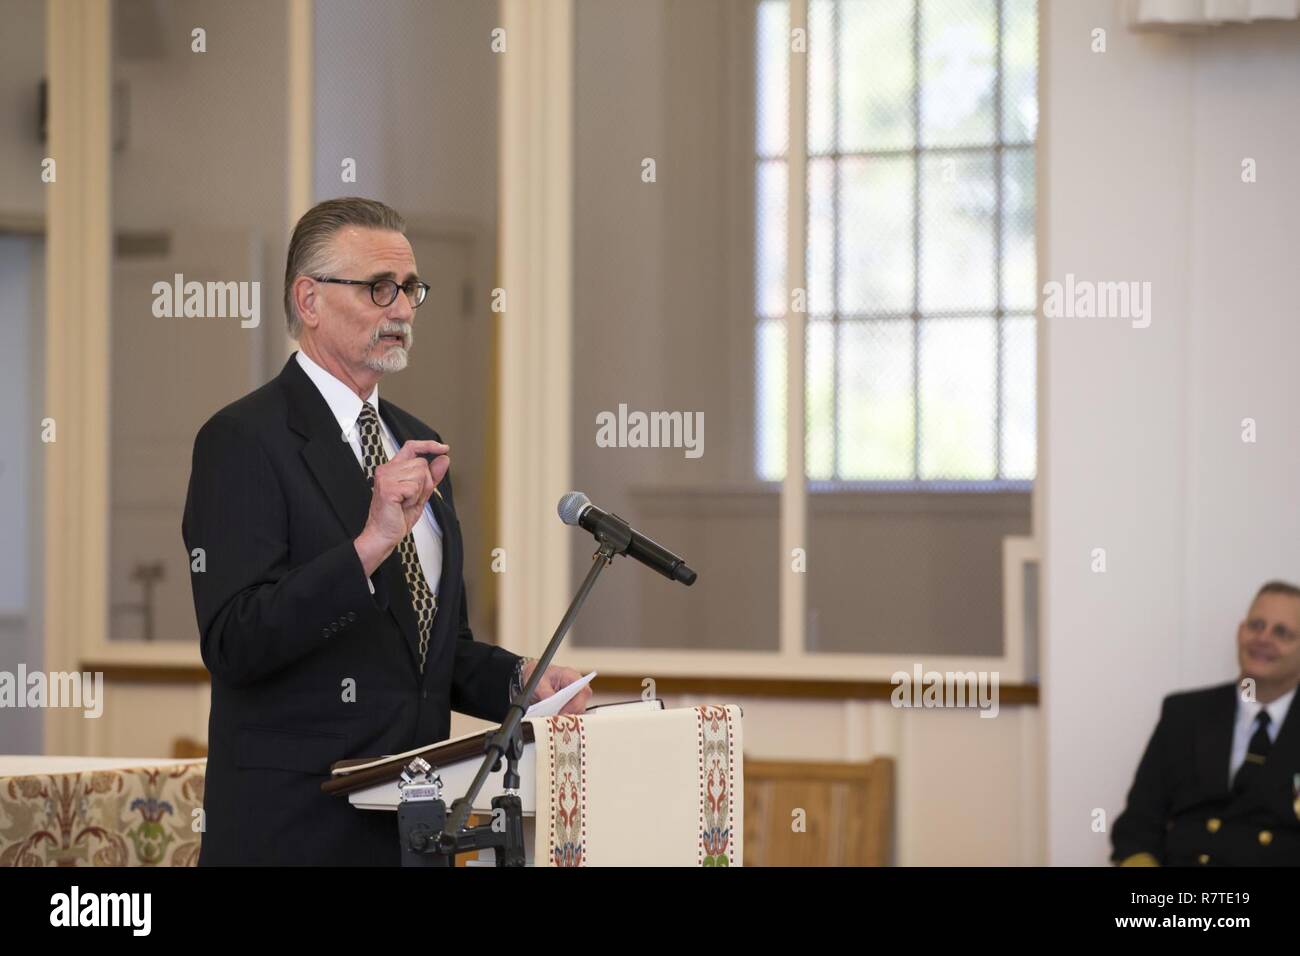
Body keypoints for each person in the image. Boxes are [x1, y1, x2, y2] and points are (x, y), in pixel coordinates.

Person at [182, 197, 592, 864]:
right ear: (308, 300)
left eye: (410, 289)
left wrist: (518, 681)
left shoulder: (414, 443)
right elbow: (235, 641)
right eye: (379, 289)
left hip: (412, 830)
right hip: (297, 832)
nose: (402, 309)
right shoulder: (243, 441)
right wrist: (368, 546)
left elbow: (430, 650)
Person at [1112, 581, 1300, 866]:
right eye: (1256, 625)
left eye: (1281, 632)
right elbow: (1137, 827)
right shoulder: (1185, 715)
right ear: (1240, 632)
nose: (1263, 638)